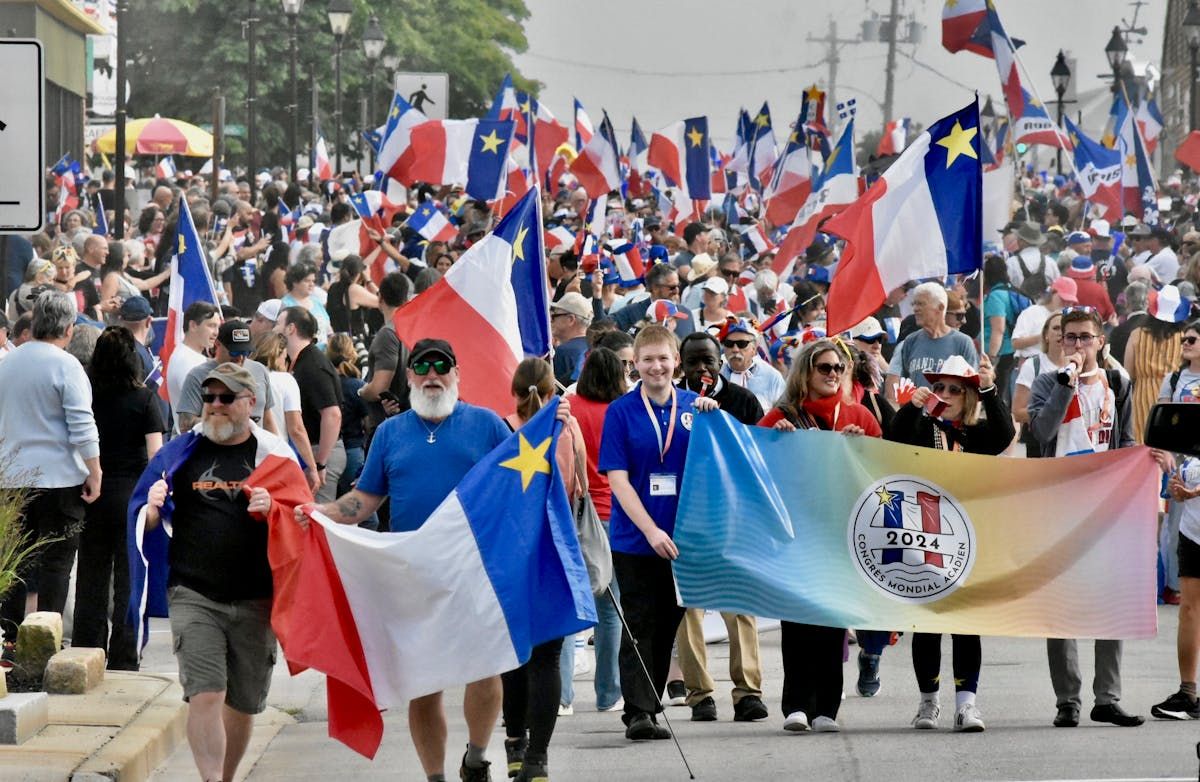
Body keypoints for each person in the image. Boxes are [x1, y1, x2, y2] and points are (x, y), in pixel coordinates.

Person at [297, 338, 511, 781]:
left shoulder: (488, 426)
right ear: (409, 376)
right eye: (422, 368)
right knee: (424, 682)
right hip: (413, 573)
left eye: (442, 367)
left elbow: (519, 488)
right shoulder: (390, 433)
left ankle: (476, 755)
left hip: (474, 571)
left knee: (485, 668)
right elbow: (366, 499)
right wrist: (321, 513)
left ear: (457, 374)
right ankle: (434, 776)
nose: (433, 376)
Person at [136, 363, 305, 782]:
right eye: (208, 398)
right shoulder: (180, 454)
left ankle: (225, 778)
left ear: (250, 403)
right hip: (194, 593)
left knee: (243, 703)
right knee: (206, 693)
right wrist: (152, 509)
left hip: (256, 597)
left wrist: (276, 510)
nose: (214, 406)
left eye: (225, 399)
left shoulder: (275, 456)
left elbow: (304, 520)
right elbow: (145, 521)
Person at [1028, 305, 1164, 729]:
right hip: (1059, 505)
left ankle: (1107, 696)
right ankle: (1067, 698)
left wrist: (1144, 460)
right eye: (1071, 337)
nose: (1078, 345)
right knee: (1061, 604)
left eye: (1086, 337)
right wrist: (1066, 384)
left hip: (1105, 505)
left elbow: (1123, 440)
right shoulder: (1046, 382)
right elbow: (1042, 432)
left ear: (1101, 341)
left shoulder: (1117, 382)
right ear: (1059, 341)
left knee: (1110, 599)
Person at [599, 325, 718, 741]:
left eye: (663, 358)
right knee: (638, 623)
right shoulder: (621, 412)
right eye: (647, 359)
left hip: (684, 540)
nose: (656, 366)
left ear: (676, 362)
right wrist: (649, 531)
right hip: (636, 540)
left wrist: (713, 418)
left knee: (669, 624)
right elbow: (618, 479)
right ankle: (638, 712)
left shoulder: (694, 409)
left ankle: (649, 701)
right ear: (635, 364)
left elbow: (717, 464)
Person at [759, 338, 882, 732]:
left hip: (841, 532)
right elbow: (754, 466)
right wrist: (773, 442)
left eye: (838, 368)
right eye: (823, 367)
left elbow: (882, 471)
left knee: (832, 622)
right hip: (796, 532)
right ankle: (796, 706)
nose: (832, 374)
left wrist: (861, 449)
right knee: (796, 621)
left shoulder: (860, 415)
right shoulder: (782, 415)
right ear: (806, 373)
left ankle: (826, 708)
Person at [888, 355, 1014, 732]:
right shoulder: (923, 426)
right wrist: (912, 409)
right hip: (922, 534)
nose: (944, 394)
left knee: (965, 621)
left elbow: (1004, 434)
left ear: (968, 396)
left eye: (954, 389)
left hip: (966, 536)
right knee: (926, 621)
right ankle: (928, 702)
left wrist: (990, 387)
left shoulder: (975, 433)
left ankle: (967, 705)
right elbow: (892, 441)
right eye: (939, 387)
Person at [672, 332, 768, 723]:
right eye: (693, 362)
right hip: (683, 521)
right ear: (682, 364)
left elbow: (761, 457)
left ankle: (747, 692)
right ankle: (700, 694)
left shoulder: (743, 402)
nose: (701, 370)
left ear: (720, 362)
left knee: (739, 606)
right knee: (688, 610)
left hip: (734, 519)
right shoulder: (672, 400)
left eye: (708, 361)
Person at [0, 290, 102, 648]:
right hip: (60, 479)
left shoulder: (7, 362)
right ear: (69, 328)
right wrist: (95, 470)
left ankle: (7, 638)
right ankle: (46, 640)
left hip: (10, 479)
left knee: (13, 563)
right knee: (57, 563)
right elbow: (81, 423)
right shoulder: (66, 364)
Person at [501, 358, 586, 782]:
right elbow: (579, 489)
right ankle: (538, 757)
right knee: (547, 658)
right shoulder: (566, 430)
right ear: (553, 392)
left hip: (509, 558)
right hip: (555, 554)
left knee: (514, 657)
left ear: (514, 392)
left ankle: (514, 743)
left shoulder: (501, 430)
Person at [73, 326, 164, 670]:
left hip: (92, 492)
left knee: (92, 575)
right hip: (132, 496)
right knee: (128, 580)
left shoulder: (88, 396)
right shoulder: (145, 398)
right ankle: (125, 654)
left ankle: (86, 649)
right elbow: (156, 454)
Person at [565, 347, 628, 715]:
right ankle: (608, 695)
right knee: (611, 610)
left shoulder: (568, 407)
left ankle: (562, 697)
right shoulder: (623, 411)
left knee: (569, 607)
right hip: (616, 516)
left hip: (575, 515)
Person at [1152, 319, 1200, 719]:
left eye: (1193, 339)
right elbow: (1160, 431)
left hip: (1195, 494)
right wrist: (1166, 459)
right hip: (1190, 517)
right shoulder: (1174, 379)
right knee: (1189, 608)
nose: (1186, 343)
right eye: (1184, 338)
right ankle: (1188, 692)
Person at [279, 306, 343, 503]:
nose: (274, 330)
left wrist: (320, 463)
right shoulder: (301, 361)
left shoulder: (312, 364)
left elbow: (333, 414)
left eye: (277, 324)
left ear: (291, 328)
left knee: (320, 520)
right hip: (313, 450)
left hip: (321, 450)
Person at [175, 319, 279, 436]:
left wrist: (278, 447)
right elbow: (185, 424)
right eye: (234, 352)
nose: (240, 358)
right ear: (218, 344)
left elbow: (268, 419)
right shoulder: (197, 376)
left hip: (254, 449)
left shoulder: (259, 370)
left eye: (246, 352)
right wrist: (226, 421)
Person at [886, 282, 979, 398]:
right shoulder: (910, 342)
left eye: (921, 304)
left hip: (949, 415)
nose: (915, 309)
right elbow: (898, 384)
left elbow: (973, 390)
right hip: (917, 414)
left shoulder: (963, 343)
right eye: (914, 304)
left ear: (940, 307)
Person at [1125, 285, 1189, 444]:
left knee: (1142, 443)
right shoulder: (1185, 338)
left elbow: (1128, 373)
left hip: (1142, 397)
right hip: (1173, 398)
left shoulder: (1136, 335)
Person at [326, 333, 376, 530]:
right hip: (353, 450)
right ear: (352, 354)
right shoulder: (357, 386)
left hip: (330, 451)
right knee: (367, 518)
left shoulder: (327, 383)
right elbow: (368, 422)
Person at [359, 272, 413, 433]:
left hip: (390, 425)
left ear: (380, 298)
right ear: (406, 299)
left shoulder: (388, 334)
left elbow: (378, 389)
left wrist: (361, 391)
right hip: (407, 419)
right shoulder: (411, 329)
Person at [1013, 312, 1066, 458]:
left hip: (1070, 442)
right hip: (1039, 444)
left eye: (1065, 329)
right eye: (1056, 328)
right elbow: (1018, 412)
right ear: (1046, 335)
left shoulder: (1079, 365)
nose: (1061, 333)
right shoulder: (1033, 365)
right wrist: (1049, 414)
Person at [166, 301, 221, 432]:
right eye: (211, 326)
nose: (216, 333)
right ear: (193, 325)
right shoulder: (188, 361)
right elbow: (190, 416)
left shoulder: (184, 354)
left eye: (218, 327)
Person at [719, 318, 786, 412]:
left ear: (754, 349)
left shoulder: (772, 377)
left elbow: (784, 414)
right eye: (729, 343)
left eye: (742, 344)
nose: (735, 349)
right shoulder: (715, 372)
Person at [326, 255, 379, 342]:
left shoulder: (333, 287)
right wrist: (369, 280)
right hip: (354, 343)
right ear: (359, 273)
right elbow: (383, 301)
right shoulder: (354, 290)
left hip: (337, 341)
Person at [280, 261, 332, 347]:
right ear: (294, 282)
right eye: (307, 281)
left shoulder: (317, 302)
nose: (311, 284)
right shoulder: (285, 304)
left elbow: (328, 329)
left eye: (313, 281)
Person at [549, 292, 592, 387]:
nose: (551, 321)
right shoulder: (594, 347)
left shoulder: (564, 351)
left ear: (570, 319)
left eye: (554, 316)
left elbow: (557, 393)